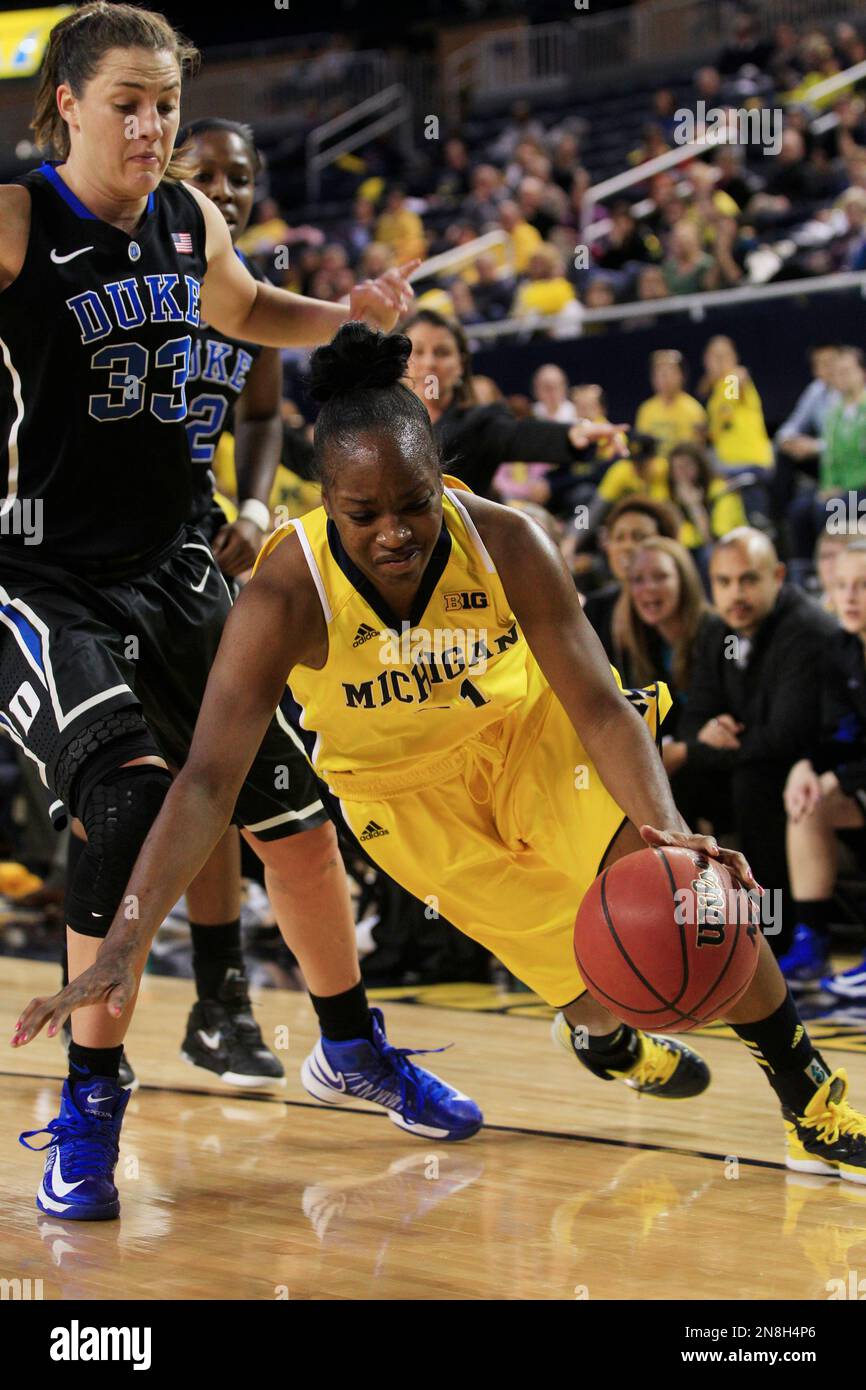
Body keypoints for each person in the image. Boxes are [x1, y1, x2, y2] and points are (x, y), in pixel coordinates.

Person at [17, 325, 866, 1197]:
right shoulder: (283, 593)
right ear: (325, 499)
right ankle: (603, 1038)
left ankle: (812, 1103)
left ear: (439, 477)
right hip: (404, 801)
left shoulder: (505, 541)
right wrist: (124, 939)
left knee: (686, 900)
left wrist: (679, 836)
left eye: (414, 502)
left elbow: (601, 706)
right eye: (364, 513)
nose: (394, 532)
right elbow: (204, 783)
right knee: (591, 985)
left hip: (530, 739)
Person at [2, 3, 478, 1221]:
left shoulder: (187, 216)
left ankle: (349, 1042)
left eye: (164, 101)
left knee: (294, 816)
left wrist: (349, 321)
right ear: (65, 101)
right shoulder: (17, 220)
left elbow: (244, 312)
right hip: (43, 574)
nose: (152, 124)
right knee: (126, 799)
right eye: (127, 101)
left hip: (172, 562)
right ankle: (92, 1099)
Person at [665, 529, 839, 963]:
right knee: (676, 780)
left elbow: (786, 737)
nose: (735, 594)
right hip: (748, 764)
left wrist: (707, 743)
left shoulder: (806, 629)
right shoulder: (717, 630)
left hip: (802, 771)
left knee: (753, 781)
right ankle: (675, 930)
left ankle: (772, 937)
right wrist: (702, 741)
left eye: (748, 580)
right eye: (723, 583)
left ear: (777, 576)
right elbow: (693, 722)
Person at [403, 309, 622, 503]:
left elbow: (519, 435)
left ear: (461, 364)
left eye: (442, 352)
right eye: (418, 351)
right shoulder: (384, 422)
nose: (429, 362)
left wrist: (573, 433)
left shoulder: (480, 424)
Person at [784, 540, 866, 994]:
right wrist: (807, 766)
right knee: (808, 803)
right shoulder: (840, 649)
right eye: (842, 586)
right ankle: (811, 943)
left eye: (863, 586)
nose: (851, 596)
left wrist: (842, 776)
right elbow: (841, 734)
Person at [610, 537, 712, 753]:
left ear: (684, 581)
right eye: (637, 580)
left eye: (660, 577)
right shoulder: (642, 642)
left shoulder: (716, 633)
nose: (649, 588)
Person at [789, 346, 866, 561]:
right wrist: (828, 488)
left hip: (861, 489)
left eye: (847, 371)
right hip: (844, 490)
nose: (842, 377)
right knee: (799, 512)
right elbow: (830, 460)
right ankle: (805, 572)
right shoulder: (834, 415)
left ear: (862, 372)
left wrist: (841, 490)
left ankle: (838, 566)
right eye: (838, 372)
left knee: (828, 508)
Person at [582, 497, 679, 658]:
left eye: (639, 537)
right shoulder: (595, 609)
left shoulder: (677, 610)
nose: (626, 547)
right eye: (619, 538)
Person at [635, 350, 707, 457]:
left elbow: (696, 451)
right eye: (660, 373)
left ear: (682, 376)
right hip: (655, 468)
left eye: (670, 372)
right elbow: (642, 448)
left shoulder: (694, 410)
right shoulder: (646, 409)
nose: (665, 377)